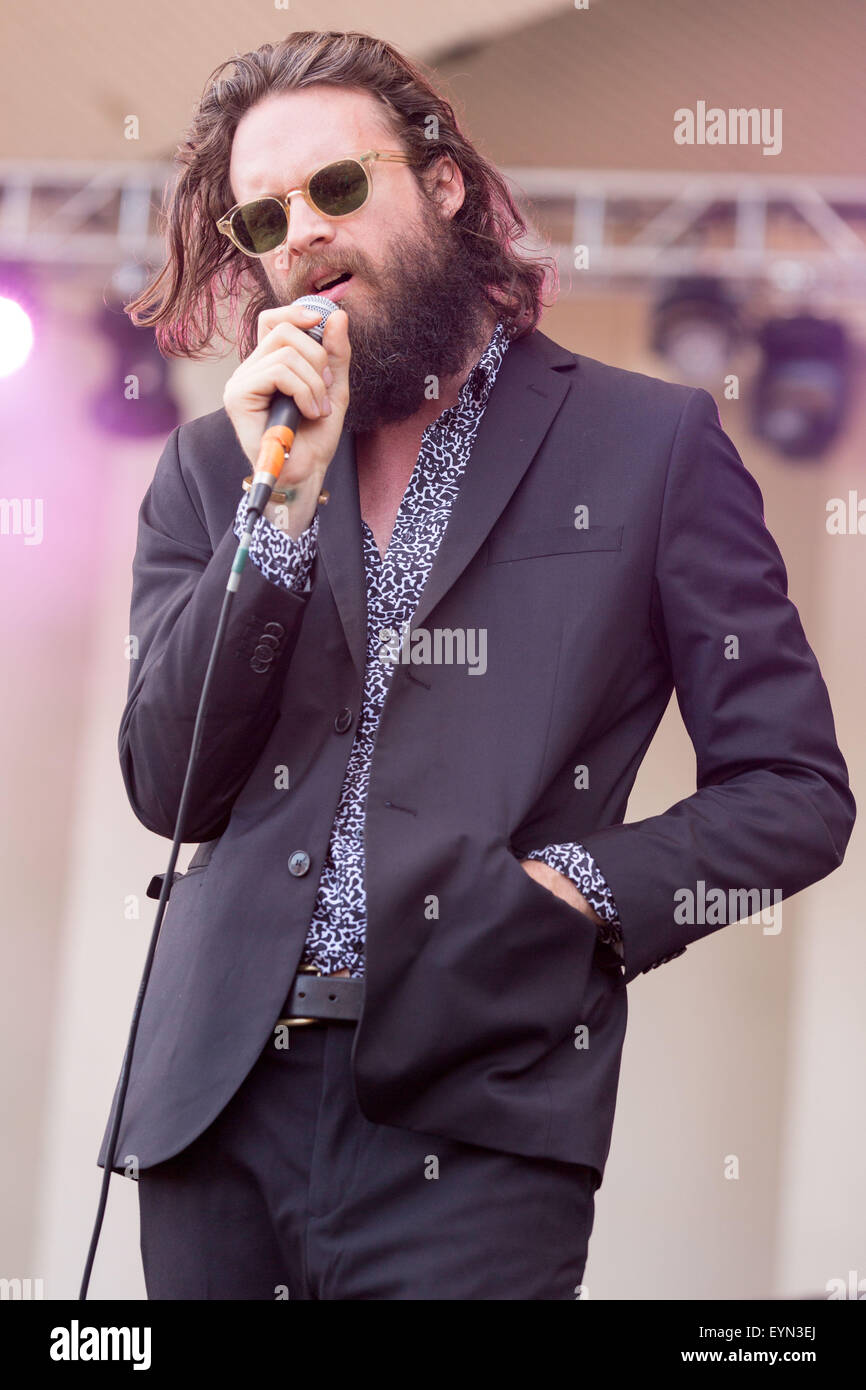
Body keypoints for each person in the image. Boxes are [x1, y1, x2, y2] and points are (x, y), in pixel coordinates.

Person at [97, 30, 855, 1300]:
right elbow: (167, 785)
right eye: (263, 216)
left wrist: (574, 890)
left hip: (477, 1118)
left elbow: (791, 789)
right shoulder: (220, 470)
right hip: (211, 1112)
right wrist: (271, 520)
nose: (302, 234)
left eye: (338, 188)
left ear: (441, 183)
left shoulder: (646, 446)